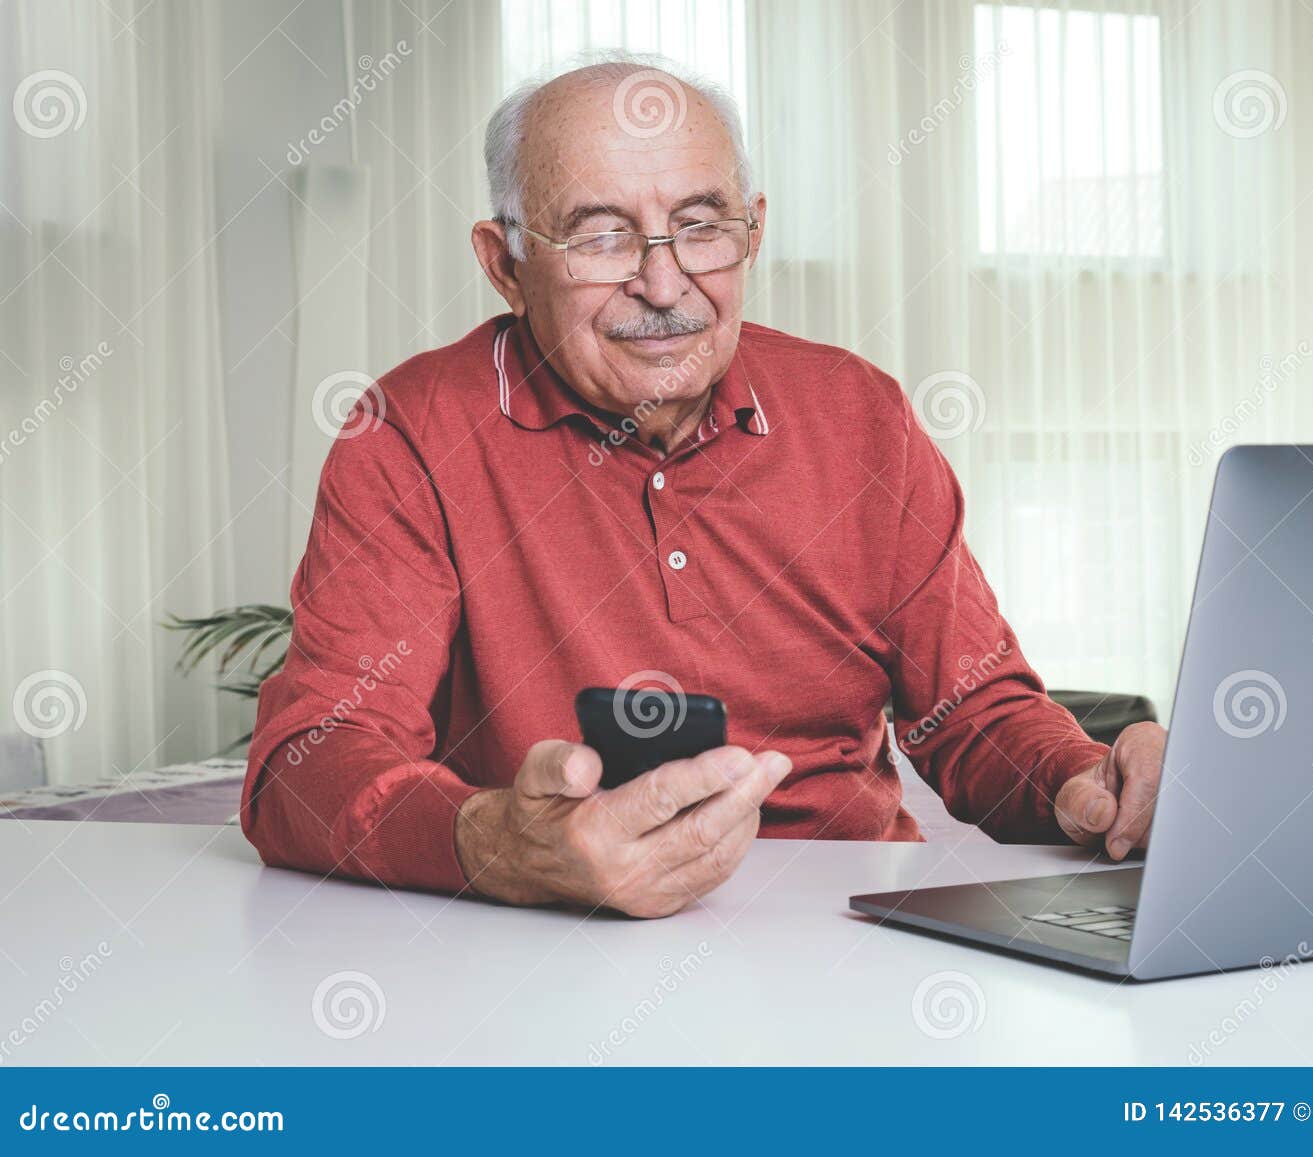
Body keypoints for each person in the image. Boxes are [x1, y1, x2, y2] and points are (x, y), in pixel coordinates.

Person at [243, 51, 1168, 918]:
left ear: (752, 231)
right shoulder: (411, 431)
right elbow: (307, 763)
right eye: (602, 236)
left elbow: (975, 712)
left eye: (700, 227)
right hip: (547, 947)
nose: (663, 282)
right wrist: (501, 845)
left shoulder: (859, 413)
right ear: (506, 265)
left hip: (849, 942)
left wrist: (1086, 784)